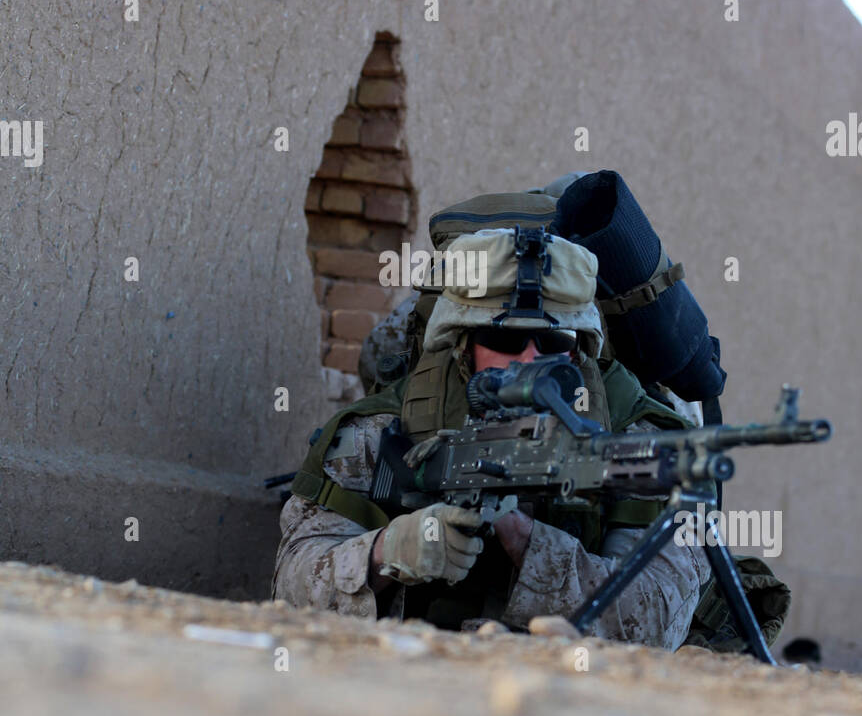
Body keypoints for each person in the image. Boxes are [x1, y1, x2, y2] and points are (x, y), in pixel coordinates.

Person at [272, 224, 712, 648]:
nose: (529, 360)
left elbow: (656, 624)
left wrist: (526, 542)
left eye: (553, 341)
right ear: (463, 344)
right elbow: (289, 590)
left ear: (578, 347)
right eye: (504, 339)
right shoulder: (380, 428)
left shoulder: (636, 439)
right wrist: (390, 552)